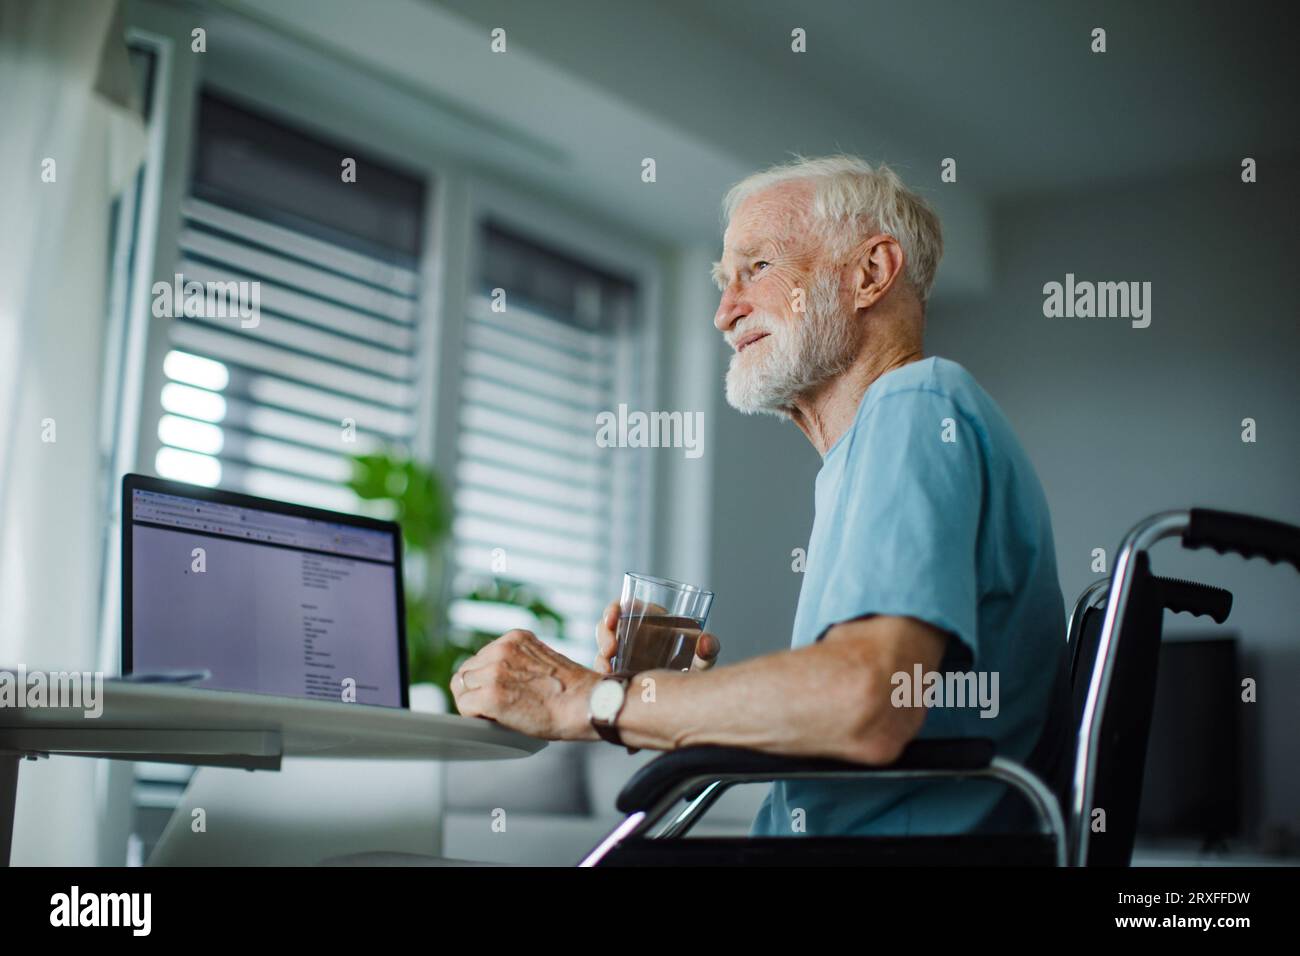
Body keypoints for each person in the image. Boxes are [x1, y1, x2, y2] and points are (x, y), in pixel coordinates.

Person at [451, 155, 1068, 836]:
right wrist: (667, 696)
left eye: (759, 267)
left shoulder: (915, 406)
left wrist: (594, 700)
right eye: (724, 281)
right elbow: (850, 703)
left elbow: (865, 701)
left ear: (870, 273)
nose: (724, 313)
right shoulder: (871, 446)